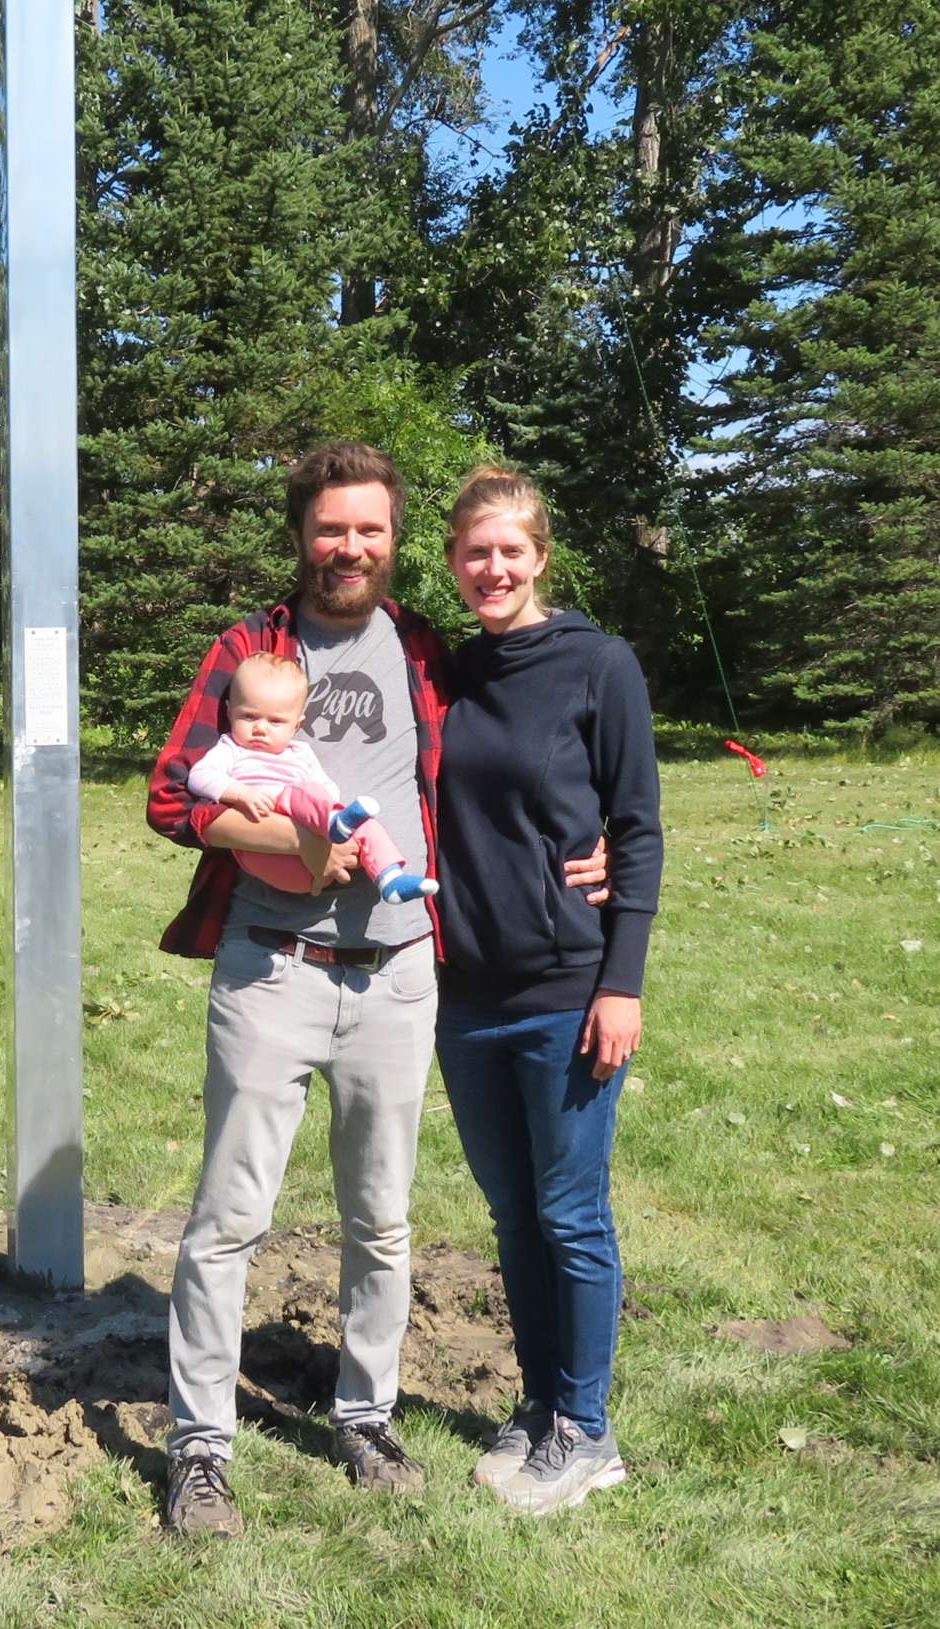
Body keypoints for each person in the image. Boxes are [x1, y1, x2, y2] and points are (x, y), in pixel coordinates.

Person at [146, 442, 607, 1539]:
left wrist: (610, 851)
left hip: (401, 978)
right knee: (228, 1220)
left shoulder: (425, 650)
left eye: (370, 530)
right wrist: (296, 854)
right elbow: (174, 797)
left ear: (395, 543)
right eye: (329, 528)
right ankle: (199, 1449)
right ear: (300, 533)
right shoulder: (248, 650)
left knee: (382, 1219)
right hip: (272, 970)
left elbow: (523, 758)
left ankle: (366, 1415)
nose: (348, 548)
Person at [433, 465, 663, 1517]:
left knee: (571, 1213)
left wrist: (620, 981)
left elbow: (639, 829)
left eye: (509, 551)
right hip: (463, 993)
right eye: (474, 552)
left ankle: (588, 1428)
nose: (492, 568)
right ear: (452, 561)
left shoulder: (597, 665)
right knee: (513, 1216)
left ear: (540, 556)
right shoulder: (449, 672)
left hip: (568, 987)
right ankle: (538, 1406)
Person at [186, 651, 437, 904]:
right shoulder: (230, 748)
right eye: (249, 716)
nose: (260, 728)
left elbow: (325, 787)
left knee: (367, 825)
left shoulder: (300, 753)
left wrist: (326, 812)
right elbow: (199, 776)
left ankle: (390, 878)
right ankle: (334, 823)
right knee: (299, 793)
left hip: (317, 861)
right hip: (266, 854)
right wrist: (239, 792)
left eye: (275, 721)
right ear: (229, 712)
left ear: (296, 725)